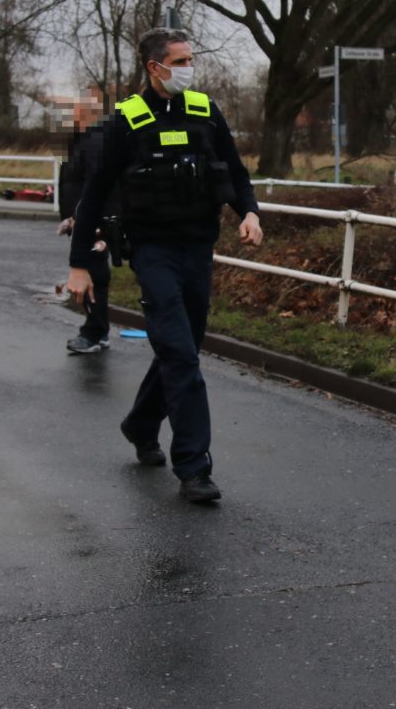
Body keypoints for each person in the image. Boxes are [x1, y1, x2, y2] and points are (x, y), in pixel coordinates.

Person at [65, 29, 263, 503]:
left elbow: (234, 171)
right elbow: (94, 193)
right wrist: (79, 264)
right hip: (152, 251)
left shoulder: (204, 110)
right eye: (180, 60)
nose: (188, 68)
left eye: (191, 59)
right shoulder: (127, 121)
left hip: (197, 248)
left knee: (183, 346)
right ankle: (194, 468)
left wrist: (250, 211)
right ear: (155, 67)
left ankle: (139, 424)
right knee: (179, 354)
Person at [57, 96, 118, 355]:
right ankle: (97, 329)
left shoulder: (95, 143)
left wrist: (86, 220)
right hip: (83, 220)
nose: (71, 117)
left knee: (94, 275)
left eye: (77, 112)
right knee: (92, 273)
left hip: (93, 222)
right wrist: (69, 217)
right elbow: (73, 184)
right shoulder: (81, 143)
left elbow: (97, 186)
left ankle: (95, 332)